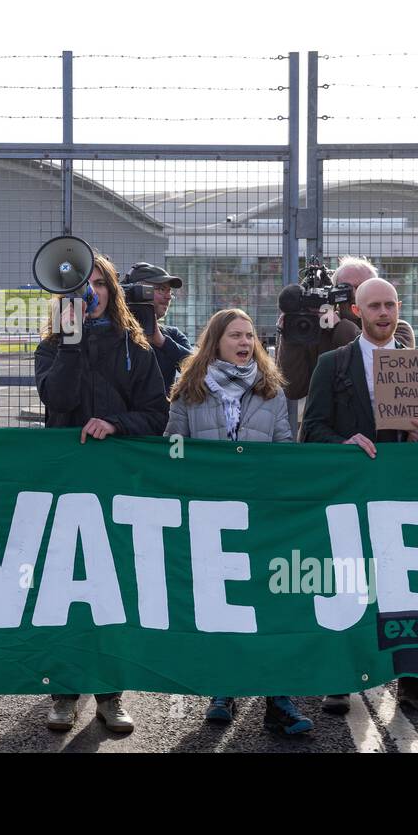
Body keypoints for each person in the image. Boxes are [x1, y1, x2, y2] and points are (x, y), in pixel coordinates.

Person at [299, 277, 418, 718]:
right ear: (357, 312)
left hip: (404, 496)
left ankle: (413, 683)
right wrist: (343, 443)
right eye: (374, 306)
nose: (384, 313)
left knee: (408, 584)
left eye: (390, 305)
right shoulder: (333, 363)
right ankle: (342, 678)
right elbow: (313, 429)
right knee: (349, 582)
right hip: (351, 494)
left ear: (398, 308)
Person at [34, 253, 169, 734]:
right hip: (66, 490)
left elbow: (157, 415)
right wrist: (71, 340)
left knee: (112, 591)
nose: (88, 294)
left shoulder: (136, 348)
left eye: (96, 285)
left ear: (111, 292)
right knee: (66, 592)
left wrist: (116, 423)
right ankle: (64, 693)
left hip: (117, 488)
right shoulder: (51, 348)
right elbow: (59, 400)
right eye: (77, 288)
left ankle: (111, 694)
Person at [165, 309, 314, 736]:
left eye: (250, 335)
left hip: (262, 516)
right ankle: (223, 690)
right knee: (223, 603)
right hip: (211, 517)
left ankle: (278, 699)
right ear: (216, 341)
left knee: (269, 605)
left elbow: (284, 447)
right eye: (236, 335)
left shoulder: (271, 391)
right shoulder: (189, 392)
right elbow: (172, 449)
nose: (246, 342)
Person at [277, 256, 415, 402]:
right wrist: (293, 335)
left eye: (363, 287)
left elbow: (384, 367)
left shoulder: (397, 329)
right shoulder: (320, 329)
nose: (355, 294)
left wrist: (338, 326)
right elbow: (293, 389)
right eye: (347, 288)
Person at [122, 262, 192, 393]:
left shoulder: (172, 335)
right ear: (135, 291)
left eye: (169, 291)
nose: (169, 296)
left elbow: (199, 370)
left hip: (161, 413)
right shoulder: (115, 332)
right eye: (161, 289)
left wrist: (162, 342)